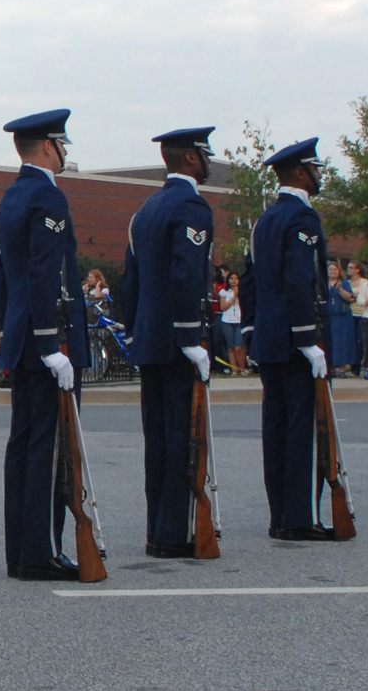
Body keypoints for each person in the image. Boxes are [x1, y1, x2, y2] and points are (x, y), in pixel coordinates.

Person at [118, 126, 218, 556]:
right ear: (192, 158)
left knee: (157, 440)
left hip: (150, 340)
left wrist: (137, 329)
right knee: (181, 436)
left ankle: (157, 528)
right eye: (205, 154)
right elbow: (186, 275)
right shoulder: (191, 206)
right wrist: (190, 336)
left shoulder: (147, 209)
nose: (208, 161)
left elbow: (131, 282)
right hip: (177, 343)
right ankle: (175, 532)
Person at [0, 108, 84, 577]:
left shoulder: (10, 197)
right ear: (49, 146)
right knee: (49, 447)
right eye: (62, 144)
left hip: (24, 338)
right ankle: (42, 551)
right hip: (50, 341)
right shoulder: (48, 197)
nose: (65, 152)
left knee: (26, 444)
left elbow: (0, 272)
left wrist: (16, 329)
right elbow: (48, 271)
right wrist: (51, 344)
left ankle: (23, 549)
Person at [240, 137, 333, 541]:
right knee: (301, 428)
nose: (319, 174)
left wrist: (252, 329)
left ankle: (281, 514)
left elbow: (249, 280)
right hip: (296, 342)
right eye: (315, 168)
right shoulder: (302, 219)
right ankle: (299, 517)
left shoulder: (266, 219)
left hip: (270, 339)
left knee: (276, 429)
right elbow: (301, 281)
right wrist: (308, 338)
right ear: (300, 172)